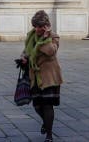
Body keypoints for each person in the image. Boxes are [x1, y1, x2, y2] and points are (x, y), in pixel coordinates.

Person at [20, 10, 62, 142]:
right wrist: (24, 58)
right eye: (35, 26)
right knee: (37, 105)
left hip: (49, 77)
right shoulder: (30, 36)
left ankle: (49, 135)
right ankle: (46, 122)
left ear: (46, 26)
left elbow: (50, 51)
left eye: (39, 26)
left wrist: (45, 37)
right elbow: (26, 52)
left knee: (47, 105)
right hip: (35, 77)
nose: (37, 29)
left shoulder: (54, 37)